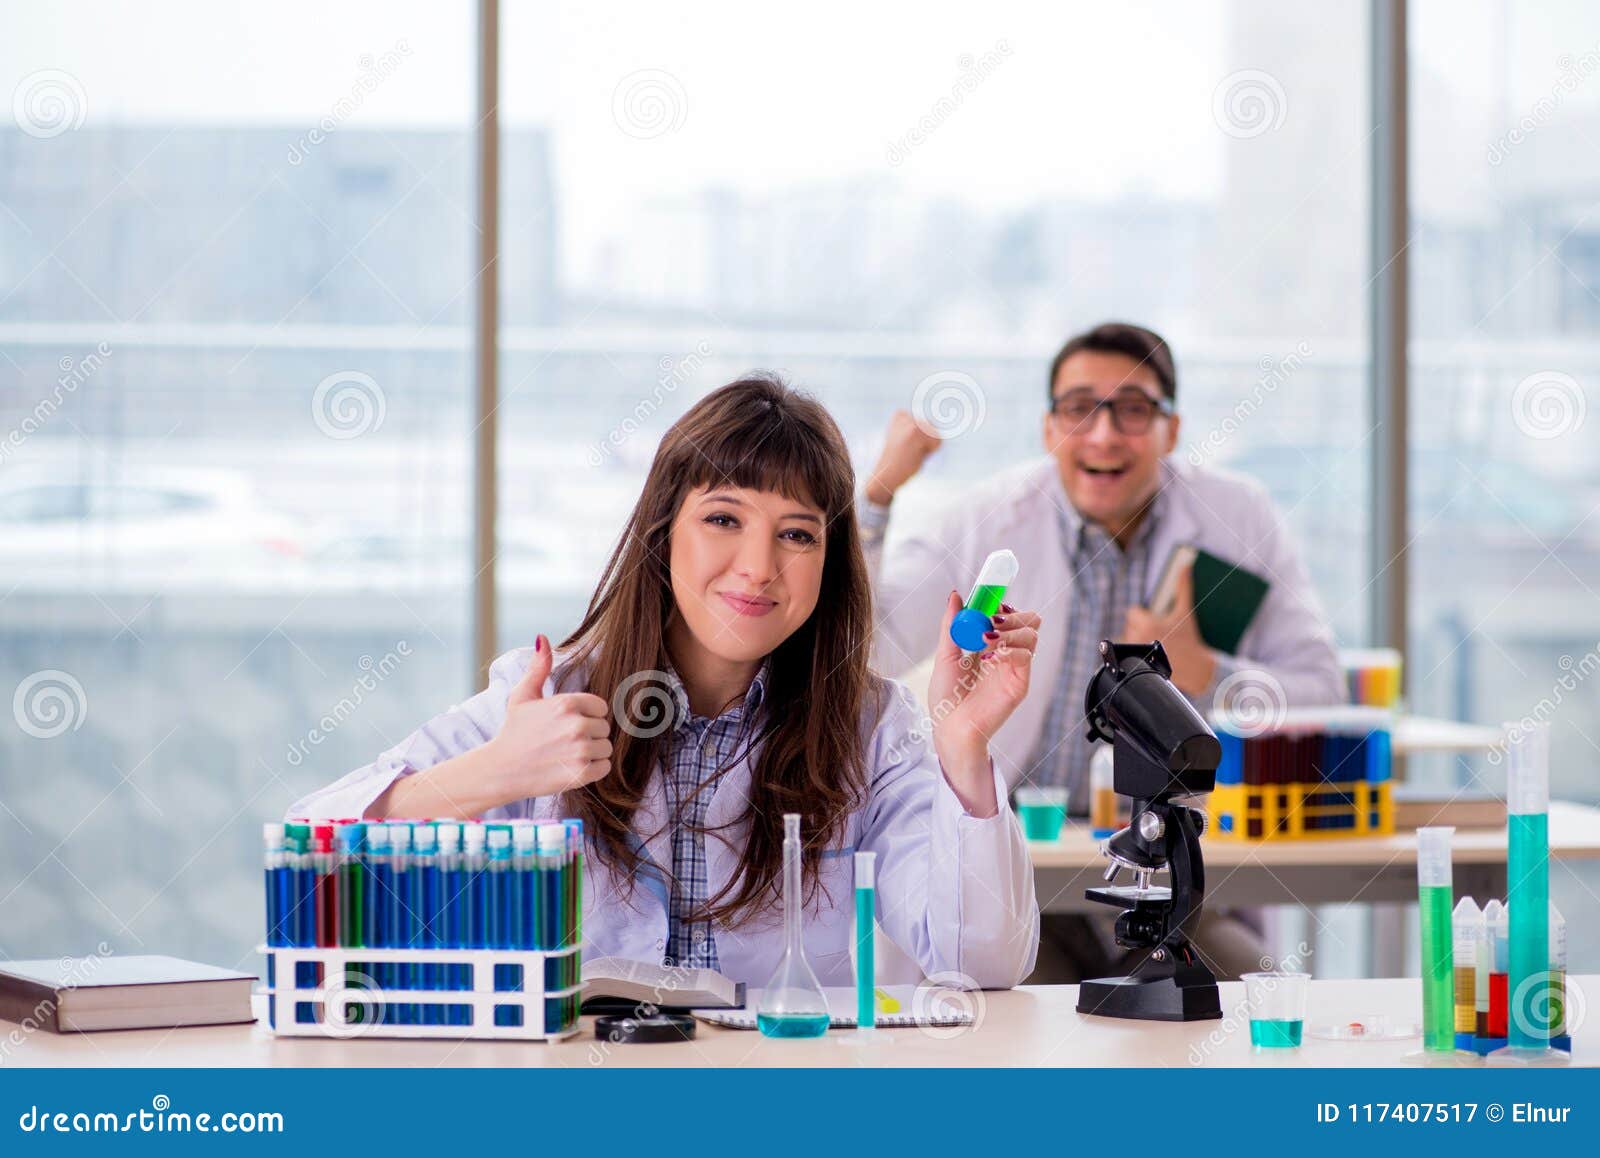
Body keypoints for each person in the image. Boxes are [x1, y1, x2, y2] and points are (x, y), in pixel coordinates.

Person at [289, 375, 1041, 989]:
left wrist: (963, 745)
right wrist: (494, 773)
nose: (758, 567)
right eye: (723, 519)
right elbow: (309, 866)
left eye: (796, 534)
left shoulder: (873, 727)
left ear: (829, 561)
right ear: (663, 530)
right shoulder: (546, 697)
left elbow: (980, 963)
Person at [858, 321, 1343, 982]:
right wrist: (877, 497)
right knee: (1010, 1013)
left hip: (1173, 881)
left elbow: (1322, 689)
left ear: (1172, 429)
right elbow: (871, 648)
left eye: (1134, 409)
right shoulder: (988, 519)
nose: (1105, 434)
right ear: (1048, 428)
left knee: (1242, 995)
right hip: (1025, 877)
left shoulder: (1240, 515)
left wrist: (1208, 673)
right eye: (1079, 408)